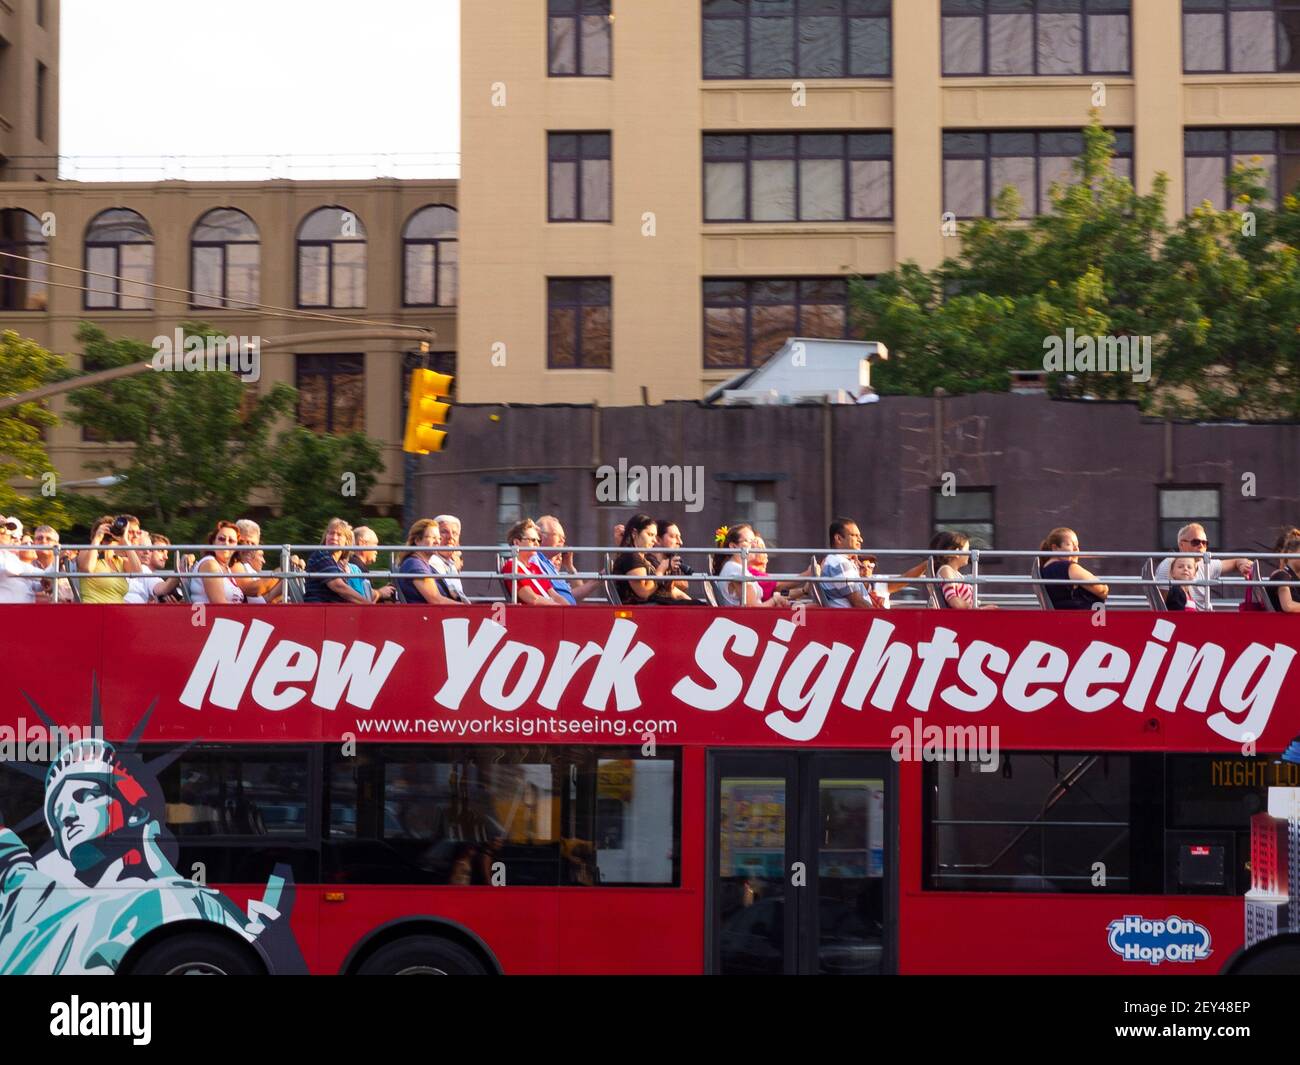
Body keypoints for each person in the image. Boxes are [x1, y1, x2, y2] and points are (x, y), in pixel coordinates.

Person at [1154, 523, 1253, 612]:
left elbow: (1236, 561)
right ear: (1181, 545)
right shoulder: (1169, 564)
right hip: (1188, 623)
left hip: (1204, 620)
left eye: (1204, 543)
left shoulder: (1205, 564)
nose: (1201, 546)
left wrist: (1242, 565)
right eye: (1196, 542)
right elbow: (1162, 607)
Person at [712, 522, 787, 607]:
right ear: (733, 546)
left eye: (754, 541)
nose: (754, 545)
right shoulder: (735, 569)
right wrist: (774, 600)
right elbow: (752, 608)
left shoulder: (736, 568)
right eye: (749, 541)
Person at [304, 517, 374, 605]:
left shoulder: (337, 563)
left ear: (346, 541)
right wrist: (369, 605)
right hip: (322, 611)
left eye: (339, 534)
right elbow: (338, 586)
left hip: (333, 610)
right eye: (331, 533)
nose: (334, 537)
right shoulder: (322, 555)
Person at [499, 518, 567, 605]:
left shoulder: (535, 567)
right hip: (536, 614)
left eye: (538, 540)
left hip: (549, 611)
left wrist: (570, 610)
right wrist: (559, 608)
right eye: (532, 540)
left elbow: (555, 595)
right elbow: (532, 599)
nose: (537, 544)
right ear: (516, 542)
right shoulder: (512, 567)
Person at [396, 519, 462, 605]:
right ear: (417, 541)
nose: (437, 542)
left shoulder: (424, 565)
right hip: (425, 616)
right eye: (433, 537)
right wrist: (467, 609)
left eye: (439, 538)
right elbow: (435, 600)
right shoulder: (415, 565)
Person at [1039, 527, 1108, 610]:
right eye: (1071, 544)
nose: (1076, 549)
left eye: (1077, 545)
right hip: (1085, 619)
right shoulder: (1069, 567)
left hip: (1065, 618)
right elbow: (1102, 591)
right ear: (1055, 548)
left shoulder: (1045, 569)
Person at [536, 515, 599, 604]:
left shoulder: (549, 565)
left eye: (564, 537)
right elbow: (562, 597)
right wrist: (599, 579)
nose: (562, 540)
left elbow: (577, 594)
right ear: (541, 536)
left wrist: (570, 566)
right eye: (558, 535)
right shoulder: (536, 561)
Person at [76, 515, 137, 604]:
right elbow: (88, 569)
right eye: (105, 536)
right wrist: (97, 539)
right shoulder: (86, 552)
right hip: (94, 611)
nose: (108, 539)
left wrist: (125, 540)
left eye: (111, 535)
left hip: (117, 613)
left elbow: (138, 572)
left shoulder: (119, 561)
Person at [933, 530, 997, 609]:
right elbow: (954, 601)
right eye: (967, 550)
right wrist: (979, 610)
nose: (969, 554)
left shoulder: (955, 573)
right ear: (956, 553)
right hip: (962, 618)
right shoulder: (946, 570)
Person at [188, 521, 247, 605]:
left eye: (231, 541)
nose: (226, 543)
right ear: (213, 542)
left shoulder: (228, 569)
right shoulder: (209, 564)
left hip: (229, 617)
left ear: (237, 547)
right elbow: (219, 604)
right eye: (222, 539)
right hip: (210, 616)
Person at [231, 519, 282, 604]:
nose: (249, 548)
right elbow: (253, 589)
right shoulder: (234, 564)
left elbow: (265, 595)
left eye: (253, 544)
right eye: (245, 542)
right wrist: (281, 572)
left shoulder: (247, 567)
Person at [123, 531, 182, 604]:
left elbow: (163, 588)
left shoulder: (147, 572)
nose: (166, 557)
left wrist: (181, 570)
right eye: (160, 551)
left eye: (150, 549)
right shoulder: (115, 563)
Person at [349, 525, 396, 603]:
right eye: (375, 544)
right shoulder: (356, 566)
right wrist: (380, 593)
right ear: (362, 544)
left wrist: (383, 592)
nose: (377, 549)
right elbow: (363, 597)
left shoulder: (357, 564)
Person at [0, 516, 40, 604]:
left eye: (9, 529)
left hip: (21, 612)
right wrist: (46, 575)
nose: (8, 533)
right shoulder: (6, 560)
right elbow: (7, 568)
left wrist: (43, 583)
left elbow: (27, 583)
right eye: (2, 529)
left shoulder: (9, 556)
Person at [431, 515, 471, 603]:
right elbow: (453, 594)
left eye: (455, 533)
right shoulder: (432, 561)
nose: (450, 537)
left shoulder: (451, 564)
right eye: (444, 532)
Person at [30, 525, 73, 603]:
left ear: (57, 544)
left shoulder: (68, 565)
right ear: (33, 543)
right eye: (39, 538)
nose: (43, 541)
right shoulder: (27, 565)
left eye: (48, 539)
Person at [1267, 533, 1300, 613]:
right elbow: (1288, 606)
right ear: (1290, 553)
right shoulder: (1281, 575)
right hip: (1283, 624)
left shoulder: (1295, 578)